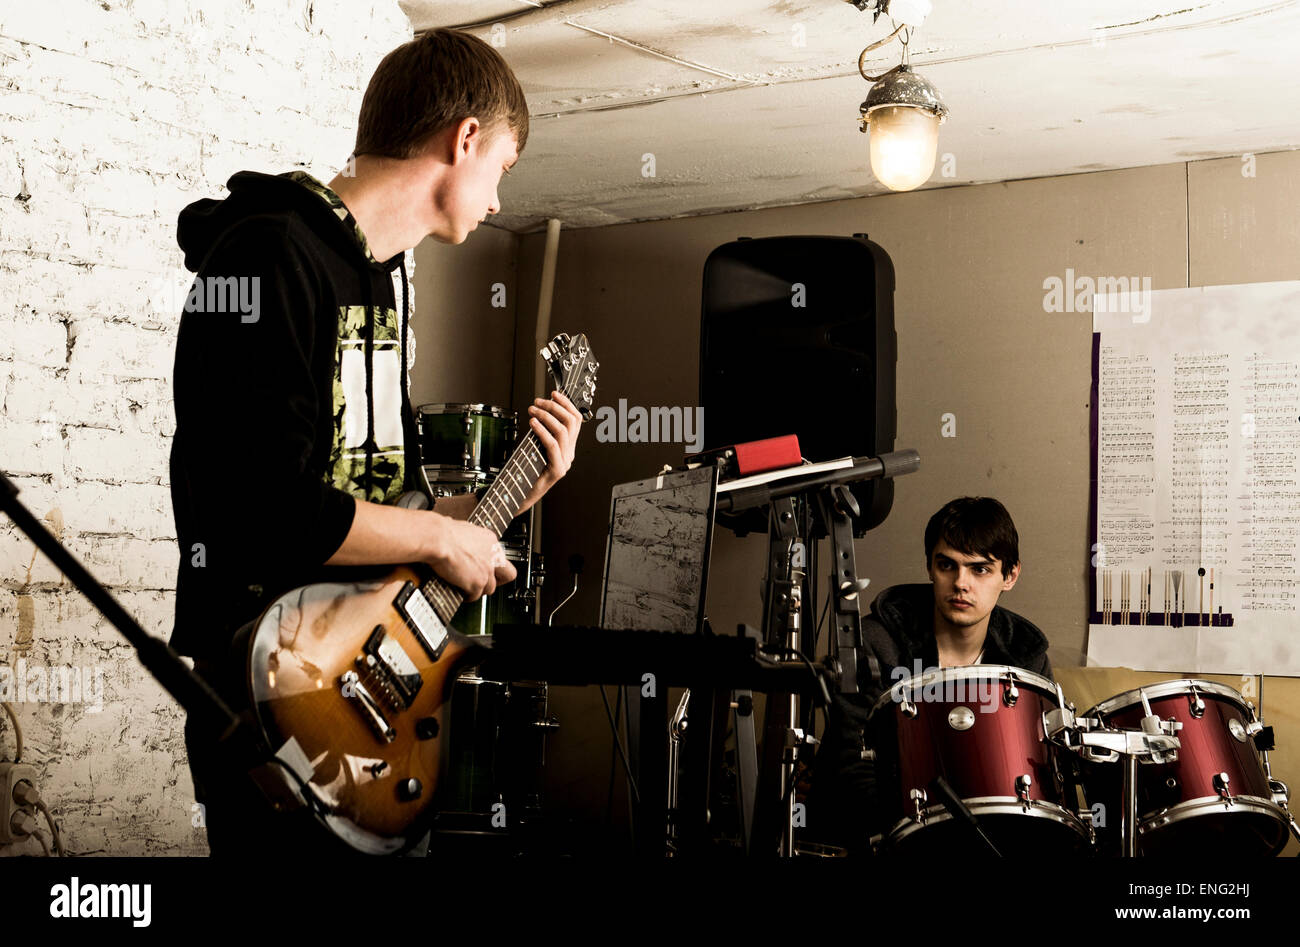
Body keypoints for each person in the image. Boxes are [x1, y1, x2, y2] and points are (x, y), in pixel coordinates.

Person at [168, 29, 579, 855]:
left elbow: (370, 507)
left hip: (367, 687)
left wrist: (514, 490)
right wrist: (440, 533)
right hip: (279, 695)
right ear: (464, 139)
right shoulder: (273, 252)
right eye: (502, 167)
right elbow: (269, 509)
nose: (499, 199)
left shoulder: (378, 273)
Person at [811, 496, 1051, 852]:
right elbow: (847, 764)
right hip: (892, 838)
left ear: (1010, 575)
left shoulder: (1026, 658)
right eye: (947, 566)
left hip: (992, 841)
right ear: (929, 567)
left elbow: (1039, 778)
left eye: (980, 569)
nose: (961, 583)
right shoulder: (877, 643)